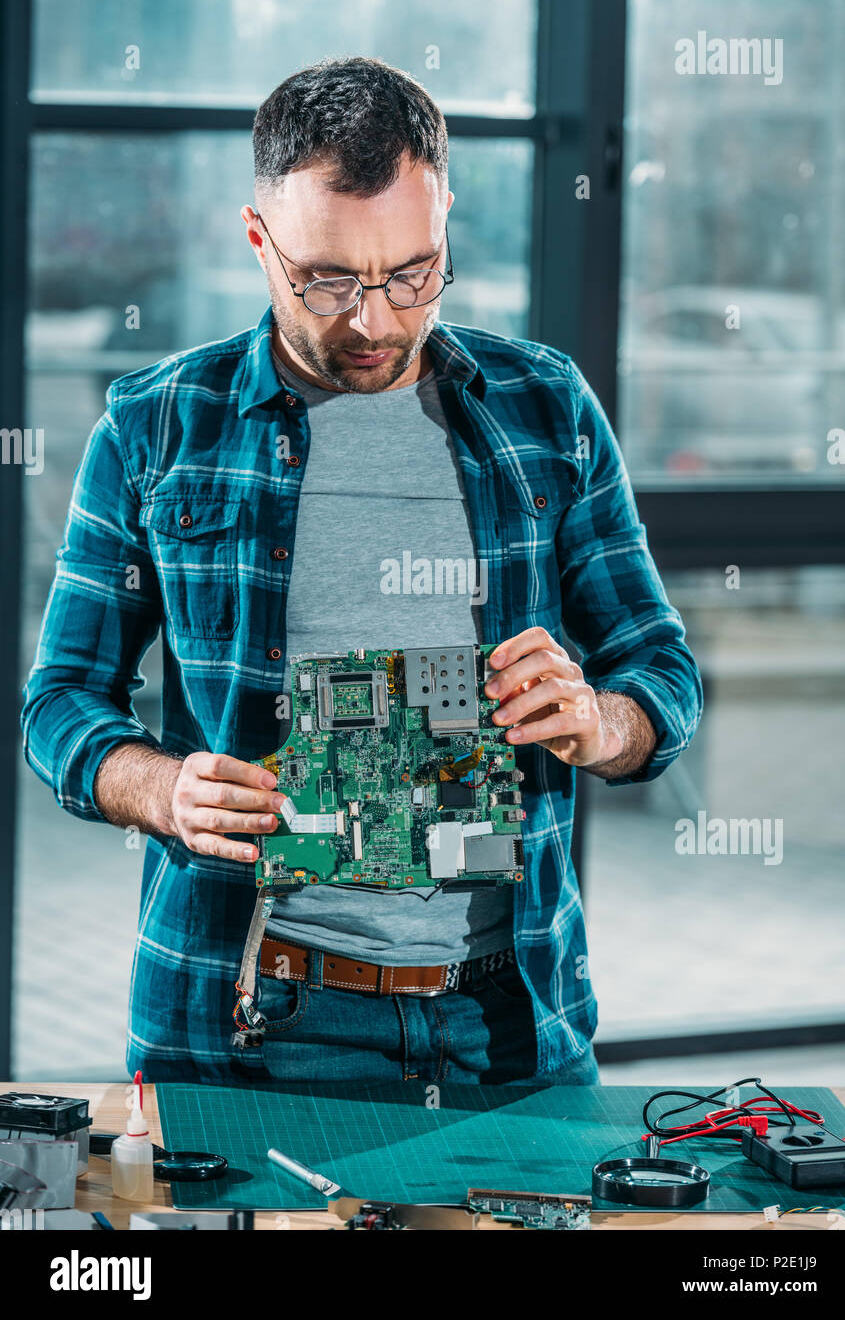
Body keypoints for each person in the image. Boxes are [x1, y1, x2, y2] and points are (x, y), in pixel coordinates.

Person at [21, 57, 702, 1086]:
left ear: (446, 227)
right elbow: (59, 705)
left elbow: (662, 670)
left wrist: (602, 722)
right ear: (260, 243)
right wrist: (162, 790)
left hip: (507, 1020)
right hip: (251, 1017)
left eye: (413, 272)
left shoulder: (547, 411)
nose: (376, 319)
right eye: (329, 279)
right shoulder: (155, 426)